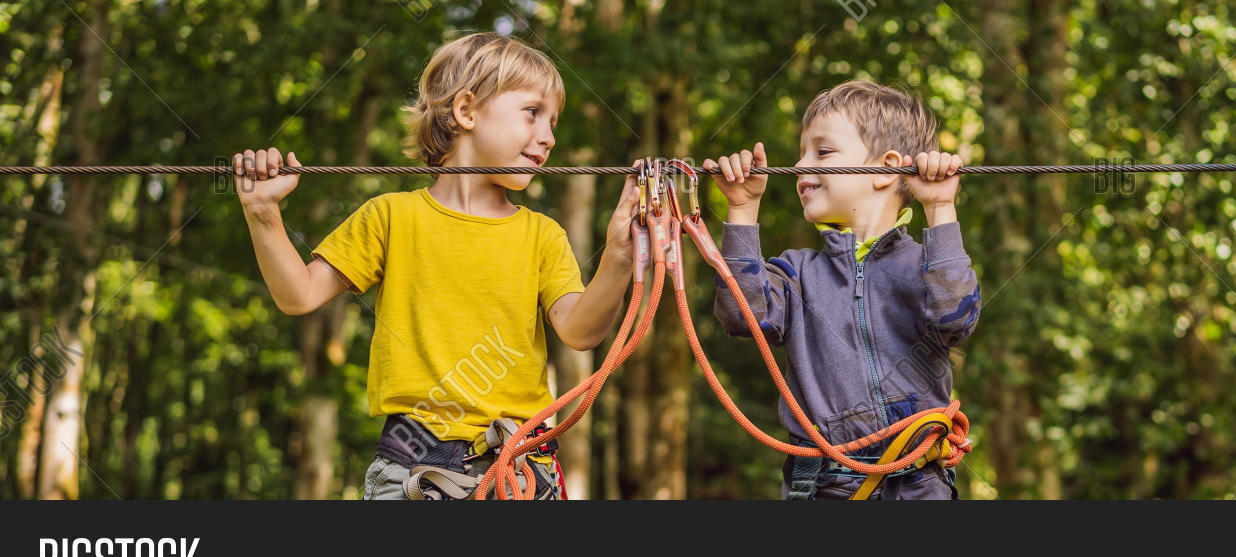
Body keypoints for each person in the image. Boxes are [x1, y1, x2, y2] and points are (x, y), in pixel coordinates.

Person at [230, 33, 639, 500]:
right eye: (532, 112)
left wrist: (618, 258)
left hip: (520, 469)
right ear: (466, 112)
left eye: (553, 122)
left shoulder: (543, 235)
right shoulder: (390, 217)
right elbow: (297, 294)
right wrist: (263, 214)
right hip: (412, 467)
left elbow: (581, 331)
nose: (548, 136)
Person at [706, 80, 980, 500]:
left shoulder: (927, 266)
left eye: (823, 152)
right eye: (802, 153)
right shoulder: (797, 273)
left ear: (886, 169)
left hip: (918, 488)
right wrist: (742, 211)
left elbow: (955, 318)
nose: (800, 166)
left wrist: (940, 209)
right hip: (822, 489)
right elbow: (743, 316)